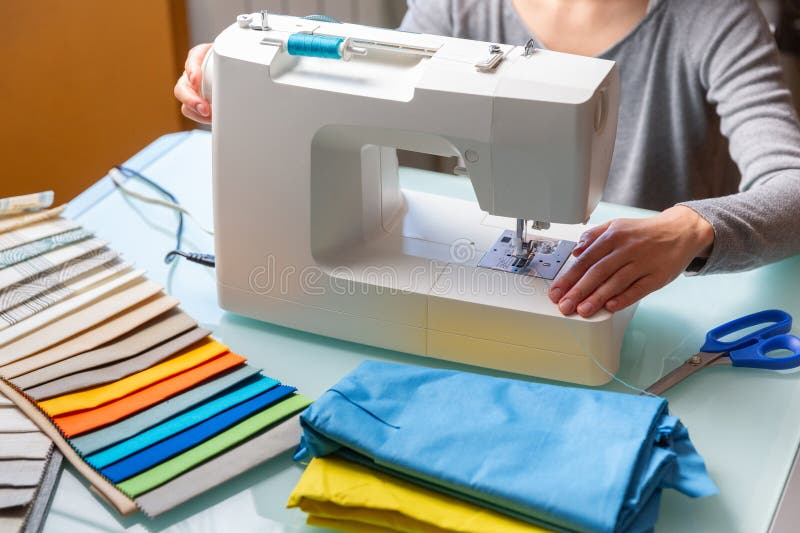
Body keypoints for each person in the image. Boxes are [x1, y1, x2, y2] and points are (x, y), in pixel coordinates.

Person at [175, 0, 800, 318]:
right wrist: (244, 65)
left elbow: (791, 184)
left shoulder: (714, 19)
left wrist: (693, 227)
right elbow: (383, 59)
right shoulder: (462, 4)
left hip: (660, 307)